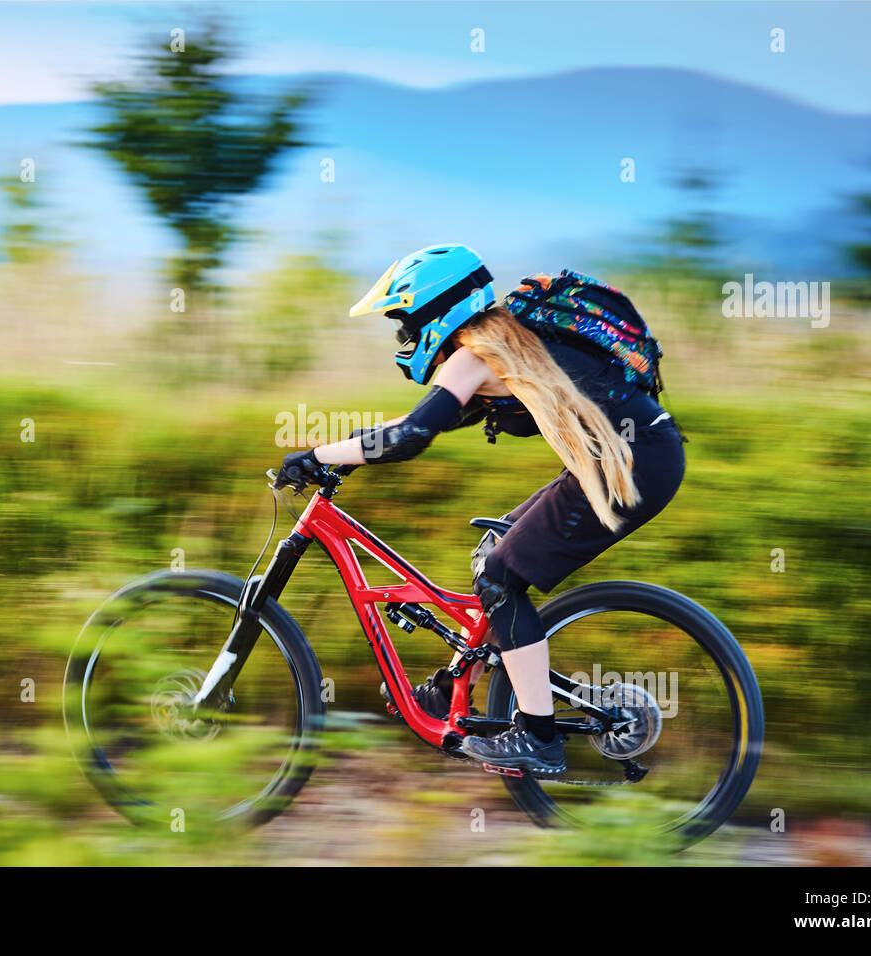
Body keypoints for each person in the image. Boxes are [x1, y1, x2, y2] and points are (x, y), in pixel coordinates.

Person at [274, 244, 685, 777]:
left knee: (499, 578)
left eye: (403, 322)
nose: (402, 337)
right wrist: (349, 454)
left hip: (630, 465)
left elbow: (411, 437)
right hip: (631, 458)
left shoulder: (476, 352)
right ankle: (451, 686)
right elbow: (416, 424)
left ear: (433, 312)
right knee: (495, 551)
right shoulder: (505, 343)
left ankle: (538, 736)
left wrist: (315, 456)